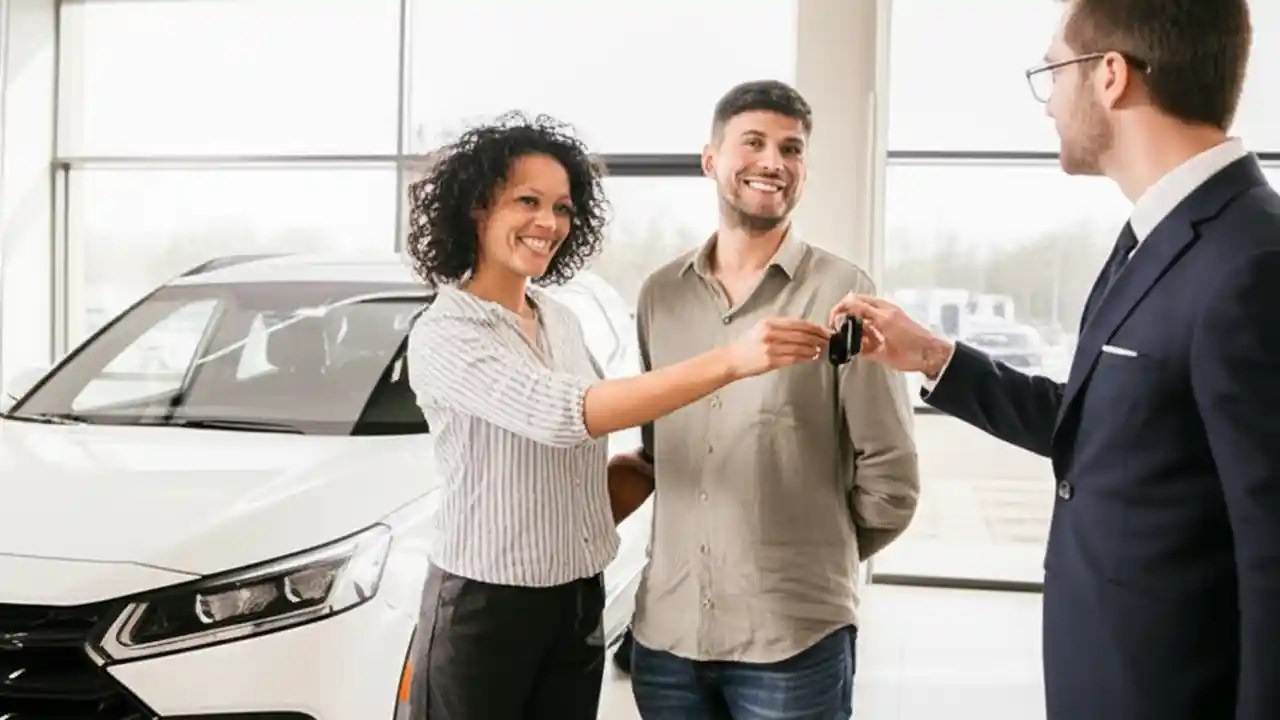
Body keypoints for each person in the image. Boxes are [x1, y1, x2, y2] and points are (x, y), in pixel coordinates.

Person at [830, 1, 1280, 718]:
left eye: (1053, 70)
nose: (1048, 104)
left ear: (1109, 76)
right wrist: (937, 358)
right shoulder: (1157, 236)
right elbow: (1106, 428)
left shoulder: (1252, 260)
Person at [400, 111, 834, 720]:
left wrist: (681, 459)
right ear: (476, 208)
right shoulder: (447, 332)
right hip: (484, 611)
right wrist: (734, 360)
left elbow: (576, 473)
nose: (548, 223)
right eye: (527, 201)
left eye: (563, 208)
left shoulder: (559, 319)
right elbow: (565, 415)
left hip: (576, 601)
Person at [612, 80, 920, 719]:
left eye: (792, 148)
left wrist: (810, 555)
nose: (773, 162)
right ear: (711, 159)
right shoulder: (658, 297)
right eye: (753, 142)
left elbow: (891, 480)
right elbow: (655, 452)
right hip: (665, 642)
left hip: (793, 640)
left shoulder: (843, 294)